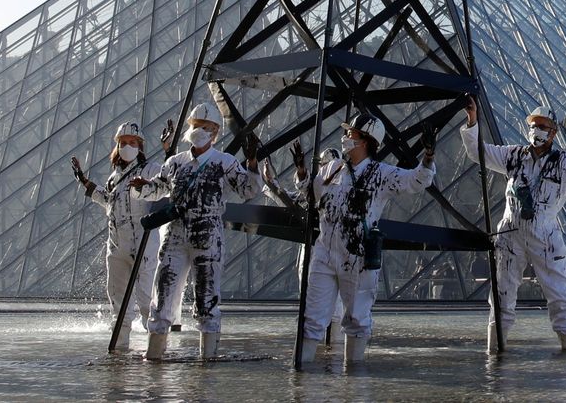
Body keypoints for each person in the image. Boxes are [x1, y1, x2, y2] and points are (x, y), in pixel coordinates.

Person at [461, 97, 566, 352]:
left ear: (553, 132)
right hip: (510, 233)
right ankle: (495, 352)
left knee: (560, 294)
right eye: (533, 125)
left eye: (542, 126)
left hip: (545, 235)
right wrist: (473, 120)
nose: (536, 130)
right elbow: (478, 152)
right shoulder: (513, 155)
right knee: (501, 295)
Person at [294, 111, 435, 366]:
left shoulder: (382, 173)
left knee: (357, 320)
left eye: (351, 134)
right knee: (311, 317)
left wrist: (427, 157)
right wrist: (302, 172)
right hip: (325, 251)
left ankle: (354, 382)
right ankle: (303, 379)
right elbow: (310, 194)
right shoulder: (331, 168)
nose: (346, 138)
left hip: (357, 258)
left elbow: (416, 181)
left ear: (366, 141)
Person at [132, 86, 262, 362]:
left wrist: (252, 163)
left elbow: (249, 190)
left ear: (215, 132)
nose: (198, 129)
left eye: (204, 126)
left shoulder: (225, 162)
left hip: (208, 236)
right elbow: (159, 188)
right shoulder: (176, 162)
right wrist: (143, 186)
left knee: (207, 299)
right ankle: (154, 358)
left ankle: (207, 362)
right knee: (163, 295)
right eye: (195, 125)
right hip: (175, 236)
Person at [72, 121, 164, 350]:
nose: (126, 146)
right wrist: (85, 182)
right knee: (119, 305)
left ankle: (157, 351)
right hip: (116, 246)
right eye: (123, 143)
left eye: (132, 143)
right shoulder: (114, 178)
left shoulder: (150, 169)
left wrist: (168, 149)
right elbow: (108, 202)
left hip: (143, 244)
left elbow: (166, 182)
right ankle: (120, 355)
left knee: (146, 301)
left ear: (140, 146)